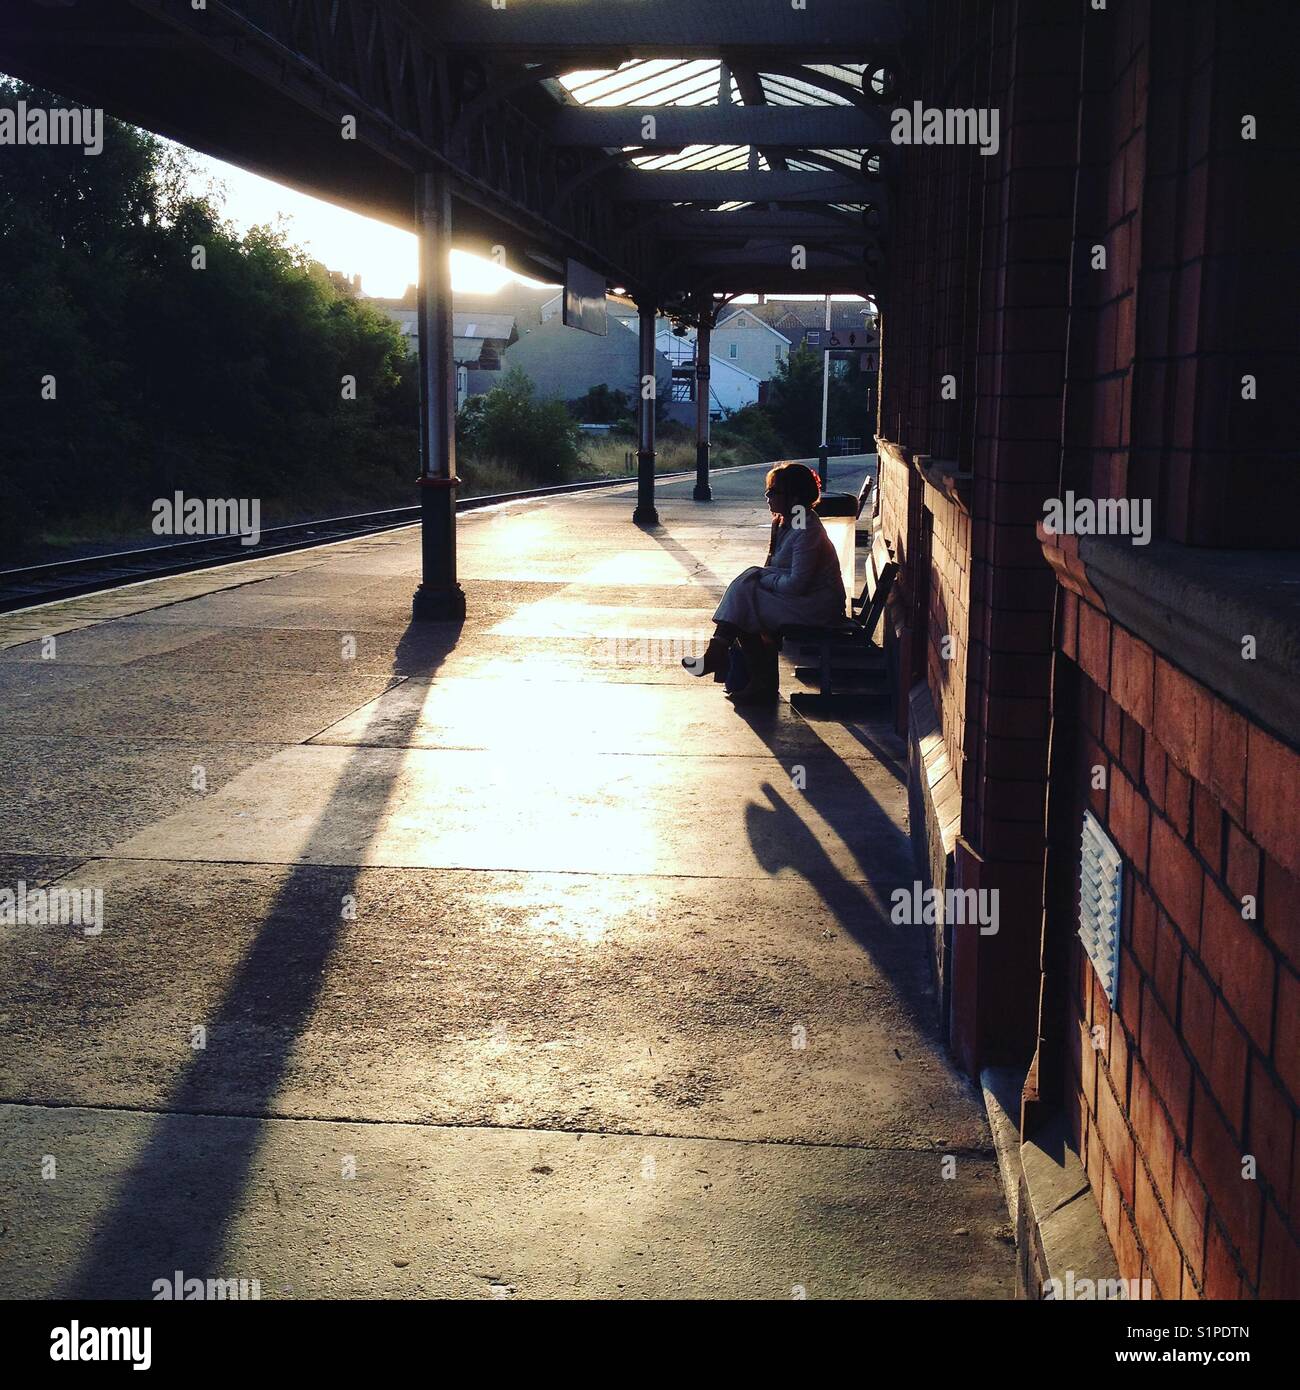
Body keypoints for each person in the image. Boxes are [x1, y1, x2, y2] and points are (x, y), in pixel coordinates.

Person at [682, 461, 846, 704]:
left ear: (794, 496)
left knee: (747, 597)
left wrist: (763, 577)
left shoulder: (806, 529)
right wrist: (762, 576)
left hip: (816, 606)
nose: (767, 496)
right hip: (801, 599)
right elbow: (779, 568)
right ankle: (739, 669)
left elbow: (797, 584)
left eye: (774, 491)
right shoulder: (789, 521)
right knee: (747, 594)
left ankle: (725, 659)